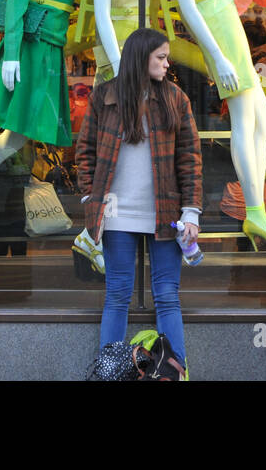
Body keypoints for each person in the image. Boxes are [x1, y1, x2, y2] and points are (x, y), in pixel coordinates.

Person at [74, 28, 202, 372]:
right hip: (116, 215)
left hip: (166, 213)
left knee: (167, 296)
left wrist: (191, 212)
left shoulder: (176, 97)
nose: (166, 62)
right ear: (140, 57)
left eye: (166, 56)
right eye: (160, 56)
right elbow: (84, 152)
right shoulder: (104, 97)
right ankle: (109, 372)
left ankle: (175, 373)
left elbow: (190, 158)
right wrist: (91, 199)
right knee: (117, 295)